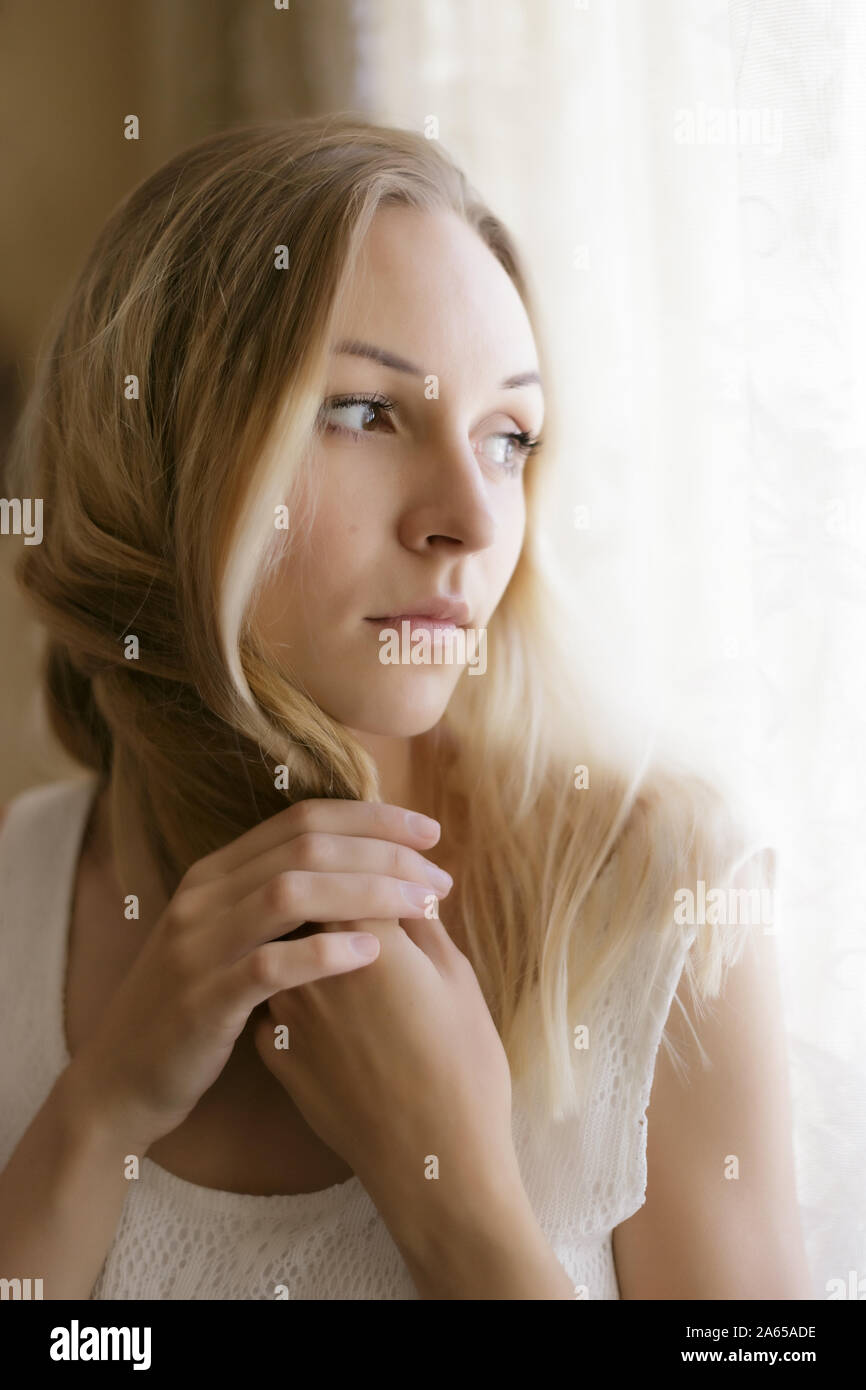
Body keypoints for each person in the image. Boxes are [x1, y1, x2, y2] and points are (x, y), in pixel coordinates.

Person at [0, 114, 810, 1300]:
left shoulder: (661, 896)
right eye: (366, 412)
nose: (472, 520)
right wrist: (97, 1109)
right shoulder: (17, 899)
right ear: (155, 443)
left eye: (506, 437)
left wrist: (457, 1200)